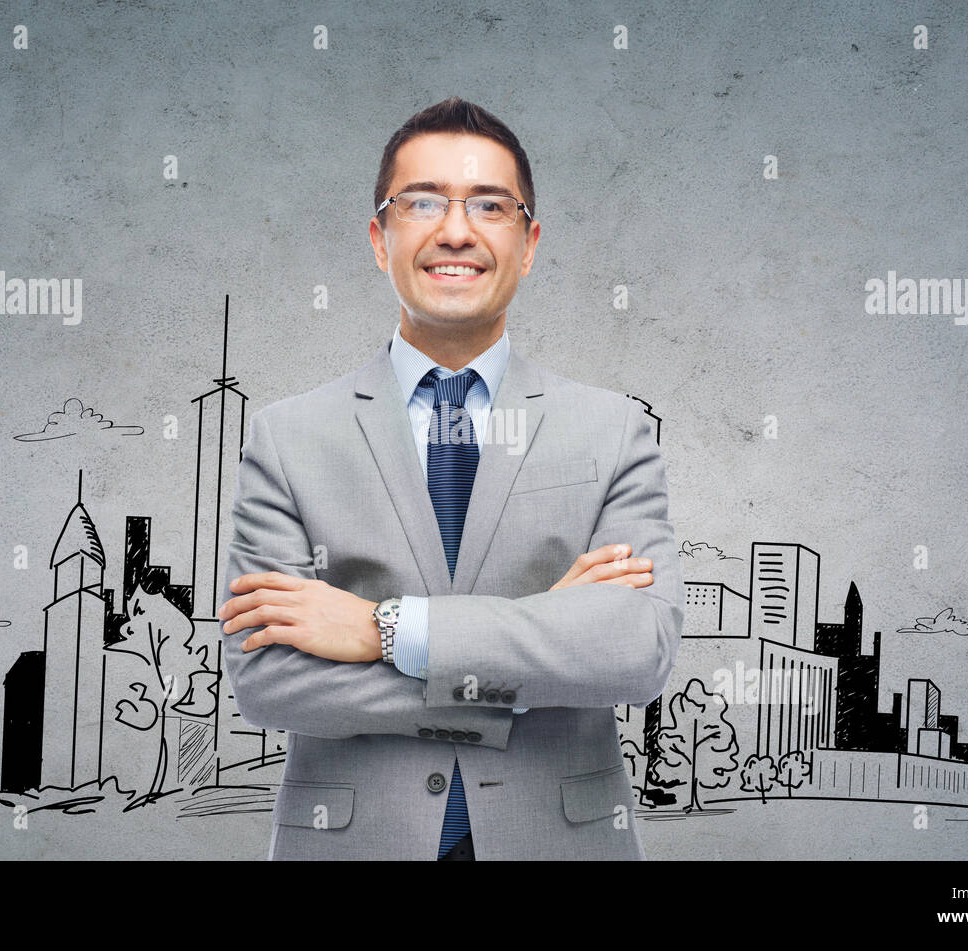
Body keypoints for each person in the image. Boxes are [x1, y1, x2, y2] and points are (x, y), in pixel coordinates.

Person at [218, 96, 682, 860]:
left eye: (490, 205)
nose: (456, 230)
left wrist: (383, 630)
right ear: (380, 238)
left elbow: (635, 650)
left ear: (529, 243)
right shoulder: (287, 436)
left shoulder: (615, 429)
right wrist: (533, 649)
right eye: (423, 201)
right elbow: (268, 679)